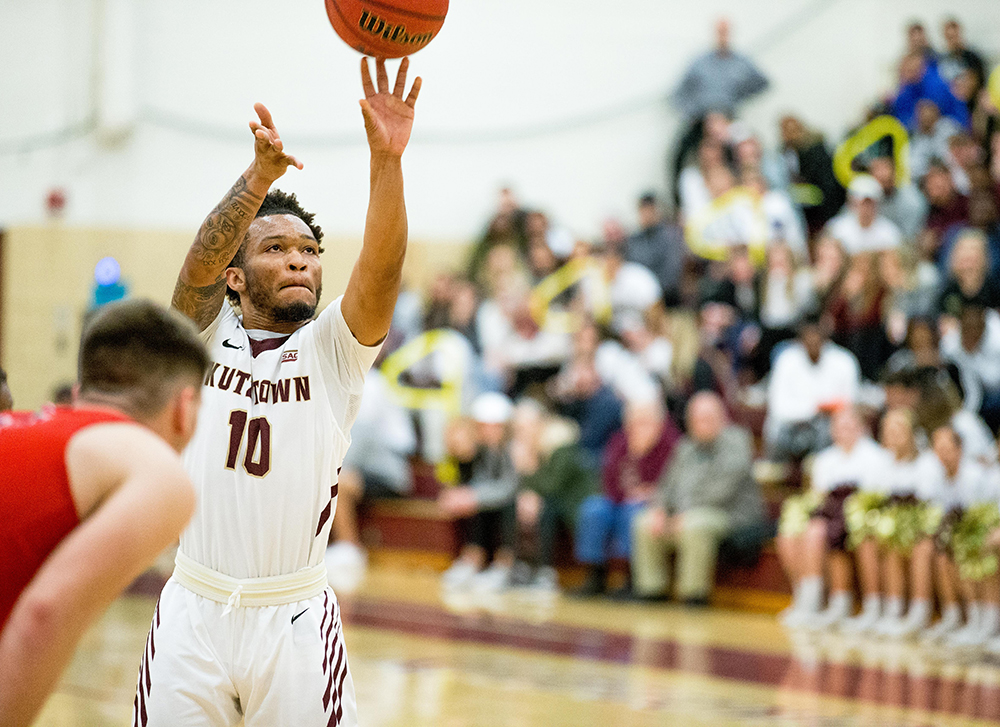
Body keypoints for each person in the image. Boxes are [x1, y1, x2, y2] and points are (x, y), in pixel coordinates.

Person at [137, 58, 422, 727]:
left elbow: (380, 270)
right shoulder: (199, 339)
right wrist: (259, 178)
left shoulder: (332, 351)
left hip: (292, 617)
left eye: (309, 250)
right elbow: (196, 268)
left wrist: (387, 160)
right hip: (194, 608)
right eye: (275, 249)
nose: (299, 258)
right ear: (235, 278)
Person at [0, 300, 209, 727]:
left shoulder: (18, 423)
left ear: (79, 393)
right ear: (184, 408)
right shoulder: (156, 470)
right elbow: (44, 615)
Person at [631, 392, 762, 605]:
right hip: (685, 513)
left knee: (694, 524)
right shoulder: (685, 447)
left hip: (731, 516)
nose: (701, 425)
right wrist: (660, 509)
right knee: (645, 521)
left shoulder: (737, 444)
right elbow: (666, 485)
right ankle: (651, 590)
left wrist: (682, 514)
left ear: (722, 419)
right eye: (696, 420)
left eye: (707, 419)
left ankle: (693, 595)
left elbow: (720, 492)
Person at [573, 396, 680, 596]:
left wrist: (649, 491)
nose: (639, 427)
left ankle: (632, 579)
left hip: (653, 503)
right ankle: (595, 575)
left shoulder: (671, 442)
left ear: (659, 422)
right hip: (619, 499)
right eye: (634, 422)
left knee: (633, 513)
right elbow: (608, 479)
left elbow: (671, 483)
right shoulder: (619, 441)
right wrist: (625, 492)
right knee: (593, 508)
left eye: (645, 421)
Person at [669, 18, 769, 205]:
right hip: (701, 119)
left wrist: (739, 96)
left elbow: (763, 82)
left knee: (747, 149)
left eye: (726, 31)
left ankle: (748, 191)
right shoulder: (699, 62)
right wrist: (695, 113)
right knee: (678, 154)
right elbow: (677, 94)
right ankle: (680, 203)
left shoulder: (741, 61)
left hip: (729, 117)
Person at [510, 399, 598, 592]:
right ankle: (520, 566)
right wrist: (527, 495)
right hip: (555, 502)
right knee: (515, 504)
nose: (522, 433)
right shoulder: (528, 448)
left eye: (526, 427)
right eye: (518, 429)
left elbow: (553, 485)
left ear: (540, 423)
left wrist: (528, 469)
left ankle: (545, 572)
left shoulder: (560, 442)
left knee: (544, 505)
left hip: (576, 503)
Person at [439, 392, 519, 593]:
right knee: (479, 506)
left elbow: (512, 487)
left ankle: (503, 566)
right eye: (483, 426)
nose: (489, 432)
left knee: (505, 505)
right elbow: (481, 483)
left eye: (495, 426)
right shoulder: (483, 450)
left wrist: (473, 496)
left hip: (519, 503)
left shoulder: (514, 449)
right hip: (495, 502)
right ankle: (471, 561)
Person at [764, 316, 861, 462]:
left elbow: (849, 405)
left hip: (828, 429)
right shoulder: (786, 360)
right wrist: (816, 408)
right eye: (808, 337)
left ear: (825, 338)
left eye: (817, 337)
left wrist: (823, 411)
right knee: (777, 430)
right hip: (791, 427)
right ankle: (778, 479)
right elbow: (779, 408)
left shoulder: (844, 361)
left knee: (828, 430)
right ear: (800, 339)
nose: (813, 341)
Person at [624, 192, 686, 307]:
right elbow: (630, 270)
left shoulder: (670, 236)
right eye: (642, 211)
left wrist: (650, 292)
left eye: (649, 210)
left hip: (665, 298)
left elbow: (672, 273)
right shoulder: (634, 240)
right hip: (638, 299)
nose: (646, 215)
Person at [825, 175, 903, 255]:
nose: (866, 208)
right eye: (862, 203)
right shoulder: (837, 230)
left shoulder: (889, 233)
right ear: (852, 202)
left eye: (870, 203)